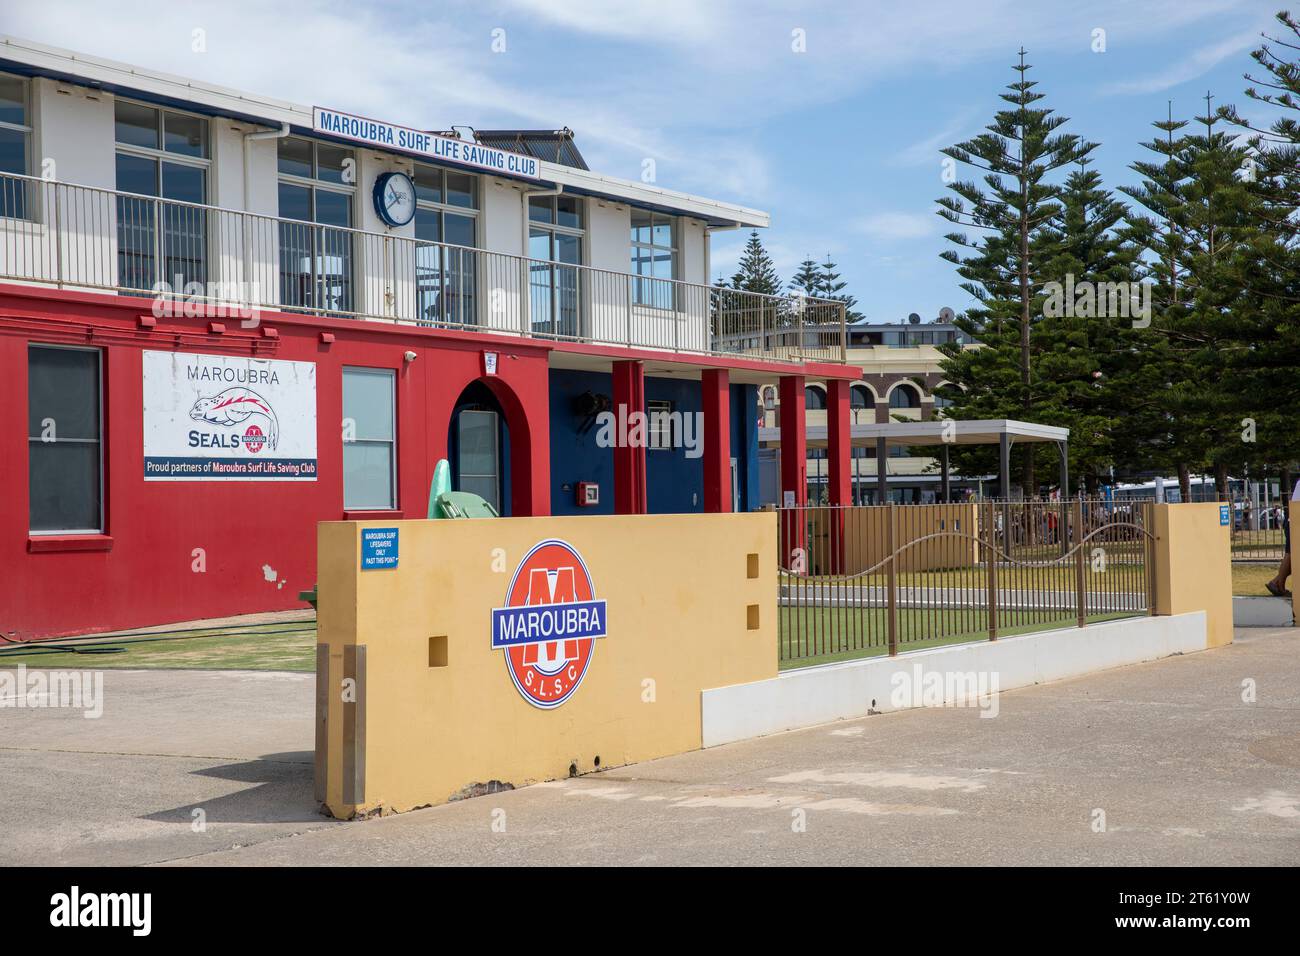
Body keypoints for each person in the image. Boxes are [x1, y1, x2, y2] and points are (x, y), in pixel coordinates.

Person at [1265, 480, 1299, 597]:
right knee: (1291, 555)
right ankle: (1279, 584)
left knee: (1293, 556)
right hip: (1295, 523)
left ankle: (1276, 582)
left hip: (1294, 522)